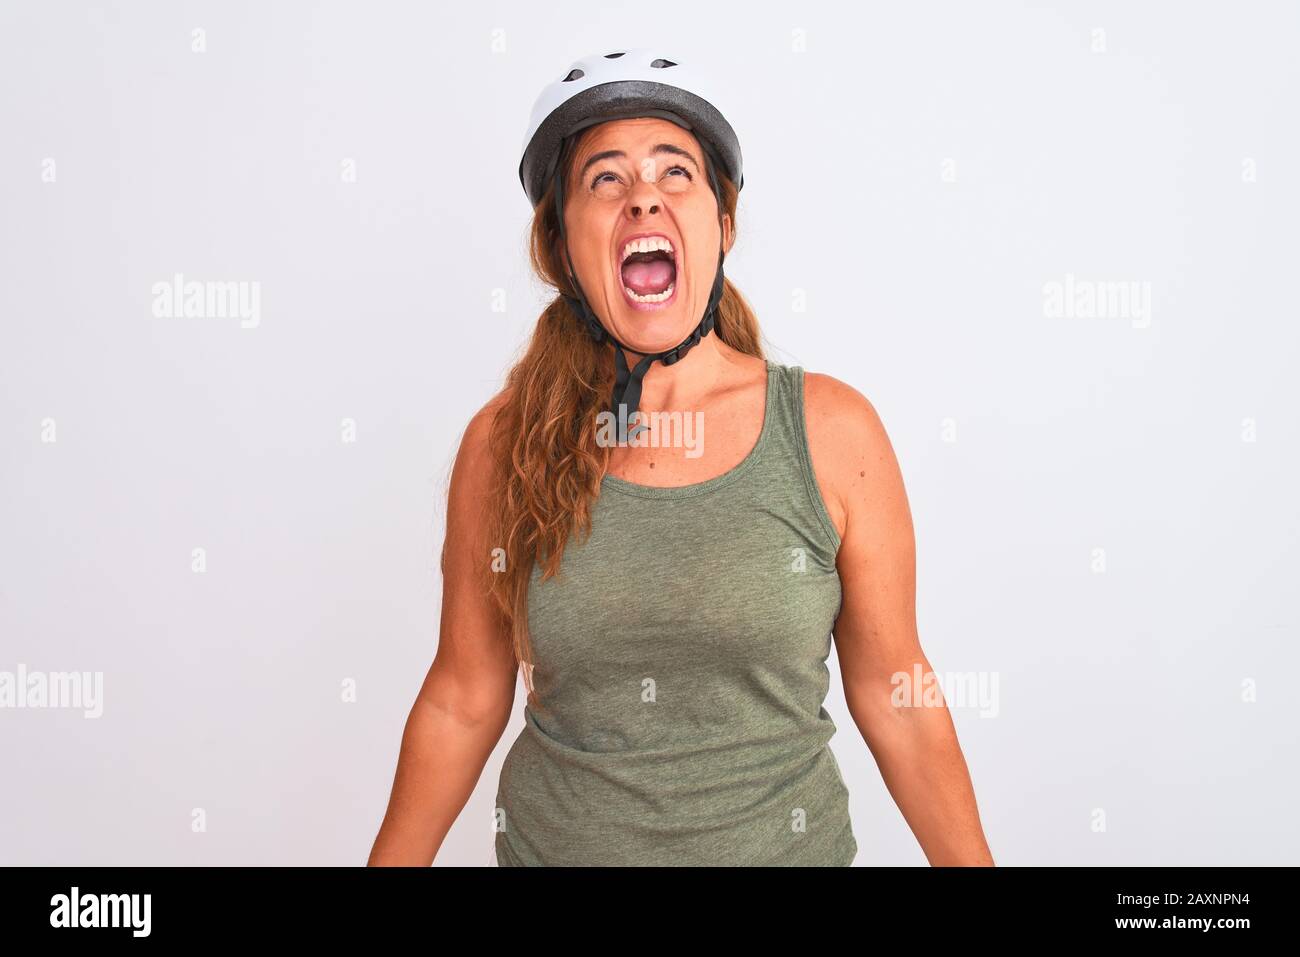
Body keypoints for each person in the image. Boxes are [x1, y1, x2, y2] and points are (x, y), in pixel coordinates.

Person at [368, 48, 994, 867]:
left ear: (721, 226)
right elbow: (461, 696)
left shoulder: (832, 432)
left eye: (675, 175)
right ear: (559, 243)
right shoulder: (503, 443)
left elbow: (896, 693)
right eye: (605, 180)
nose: (643, 200)